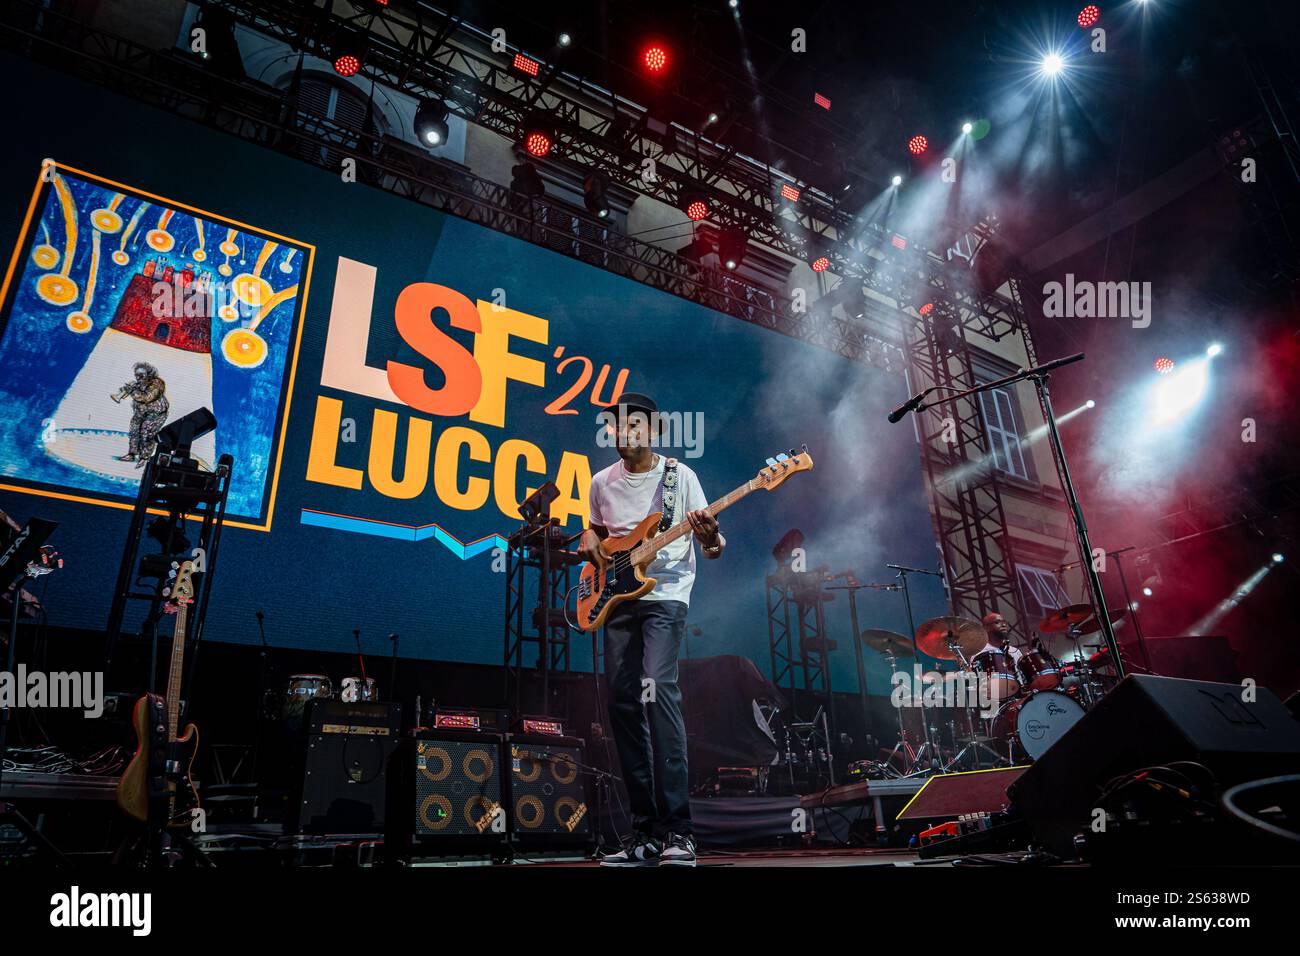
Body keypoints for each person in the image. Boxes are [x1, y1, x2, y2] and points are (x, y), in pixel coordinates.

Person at [578, 392, 723, 868]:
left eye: (633, 426)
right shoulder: (602, 482)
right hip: (617, 601)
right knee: (622, 705)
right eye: (616, 427)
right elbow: (598, 532)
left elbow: (715, 546)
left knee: (657, 689)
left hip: (665, 596)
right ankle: (644, 836)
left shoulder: (681, 478)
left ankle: (680, 833)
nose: (624, 434)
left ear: (653, 431)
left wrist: (708, 534)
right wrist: (588, 537)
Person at [111, 362, 169, 464]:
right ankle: (132, 454)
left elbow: (147, 398)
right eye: (136, 375)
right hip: (141, 412)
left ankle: (144, 457)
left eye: (141, 375)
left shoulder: (157, 383)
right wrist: (124, 391)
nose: (138, 378)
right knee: (134, 430)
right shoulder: (138, 383)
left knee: (146, 433)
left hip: (156, 413)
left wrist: (132, 391)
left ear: (149, 374)